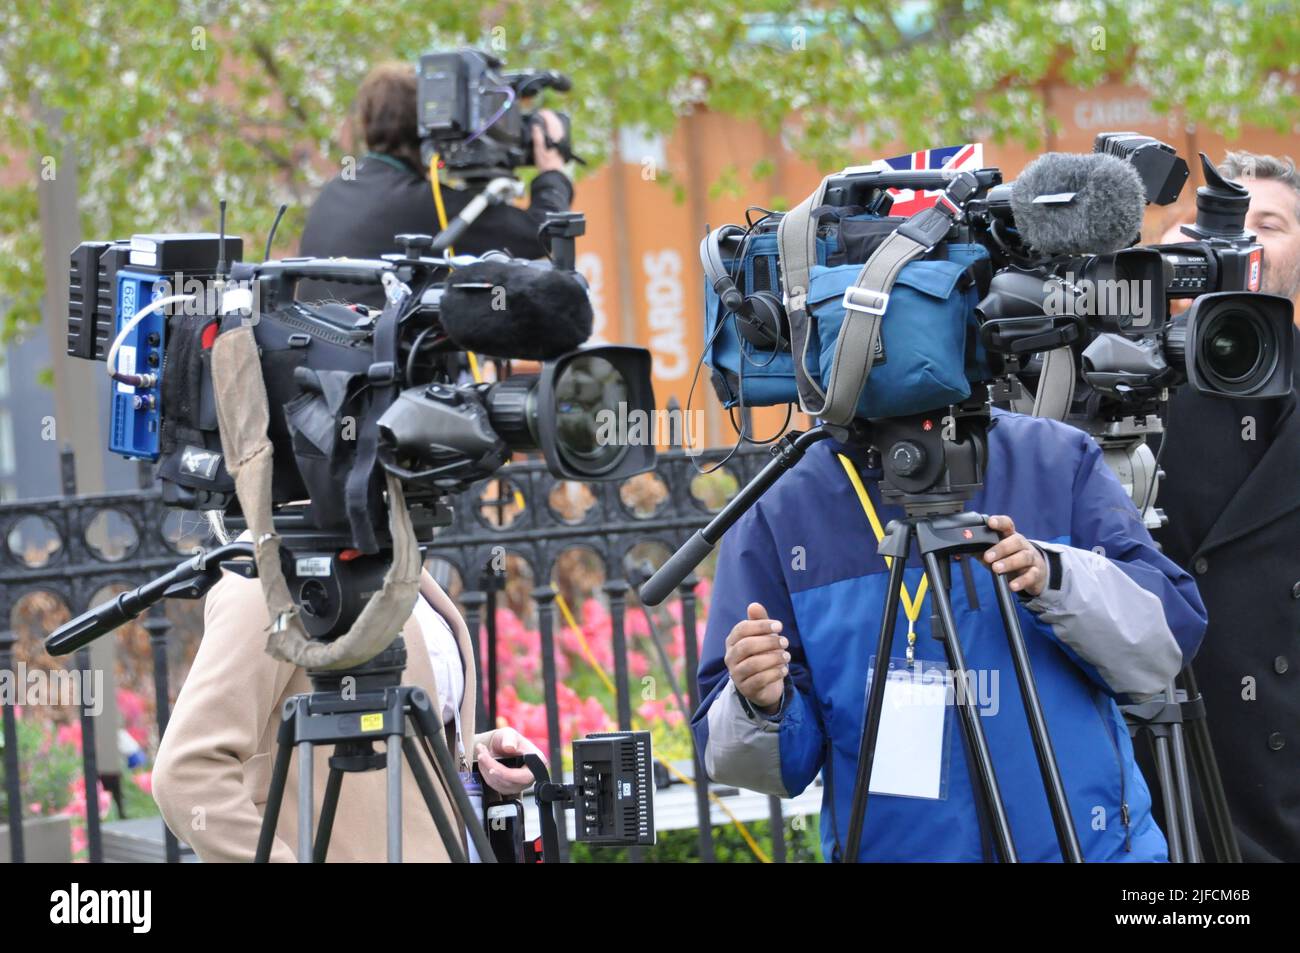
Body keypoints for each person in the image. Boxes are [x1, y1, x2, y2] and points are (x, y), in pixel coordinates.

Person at [693, 408, 1207, 862]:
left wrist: (1057, 576)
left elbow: (1164, 646)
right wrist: (761, 702)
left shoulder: (1053, 458)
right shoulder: (780, 507)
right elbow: (761, 766)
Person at [151, 550, 545, 862]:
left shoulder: (393, 553)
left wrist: (481, 753)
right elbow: (187, 772)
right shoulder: (270, 578)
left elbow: (389, 733)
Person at [1152, 150, 1300, 862]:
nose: (1244, 243)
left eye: (1268, 224)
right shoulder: (1131, 384)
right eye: (1224, 227)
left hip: (1282, 775)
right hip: (1169, 769)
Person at [296, 62, 574, 308]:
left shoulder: (335, 190)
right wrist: (552, 169)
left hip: (321, 358)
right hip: (382, 363)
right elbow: (540, 234)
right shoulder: (419, 203)